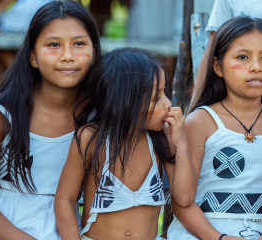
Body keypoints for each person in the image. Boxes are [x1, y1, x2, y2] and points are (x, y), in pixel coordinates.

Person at [168, 17, 262, 240]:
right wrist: (219, 238)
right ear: (218, 67)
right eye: (243, 57)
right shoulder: (201, 122)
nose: (256, 67)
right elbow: (183, 202)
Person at [0, 0, 101, 239]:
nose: (67, 56)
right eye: (53, 45)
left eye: (79, 44)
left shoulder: (97, 121)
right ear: (33, 57)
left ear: (94, 52)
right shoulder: (1, 116)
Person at [54, 48, 194, 239]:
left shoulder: (159, 140)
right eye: (156, 98)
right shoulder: (91, 139)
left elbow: (184, 199)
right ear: (124, 102)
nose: (168, 103)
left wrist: (181, 145)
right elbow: (65, 199)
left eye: (164, 92)